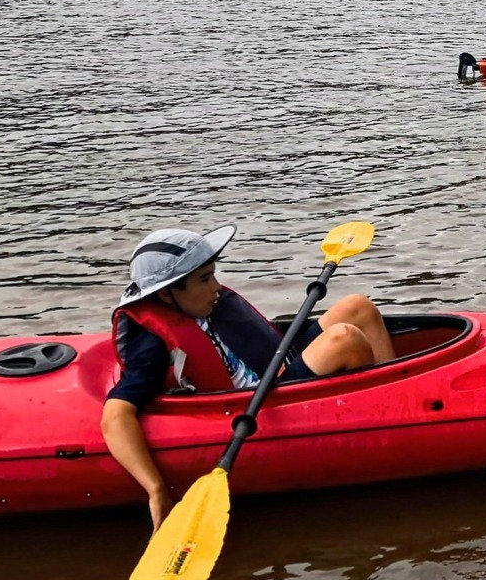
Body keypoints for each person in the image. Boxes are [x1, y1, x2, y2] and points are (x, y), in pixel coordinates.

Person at [101, 224, 395, 527]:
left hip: (272, 368)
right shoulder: (150, 345)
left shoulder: (193, 304)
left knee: (357, 307)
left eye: (213, 275)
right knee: (345, 338)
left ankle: (399, 394)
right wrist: (156, 489)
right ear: (166, 294)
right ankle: (390, 427)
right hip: (267, 399)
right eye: (205, 279)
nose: (216, 286)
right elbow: (115, 415)